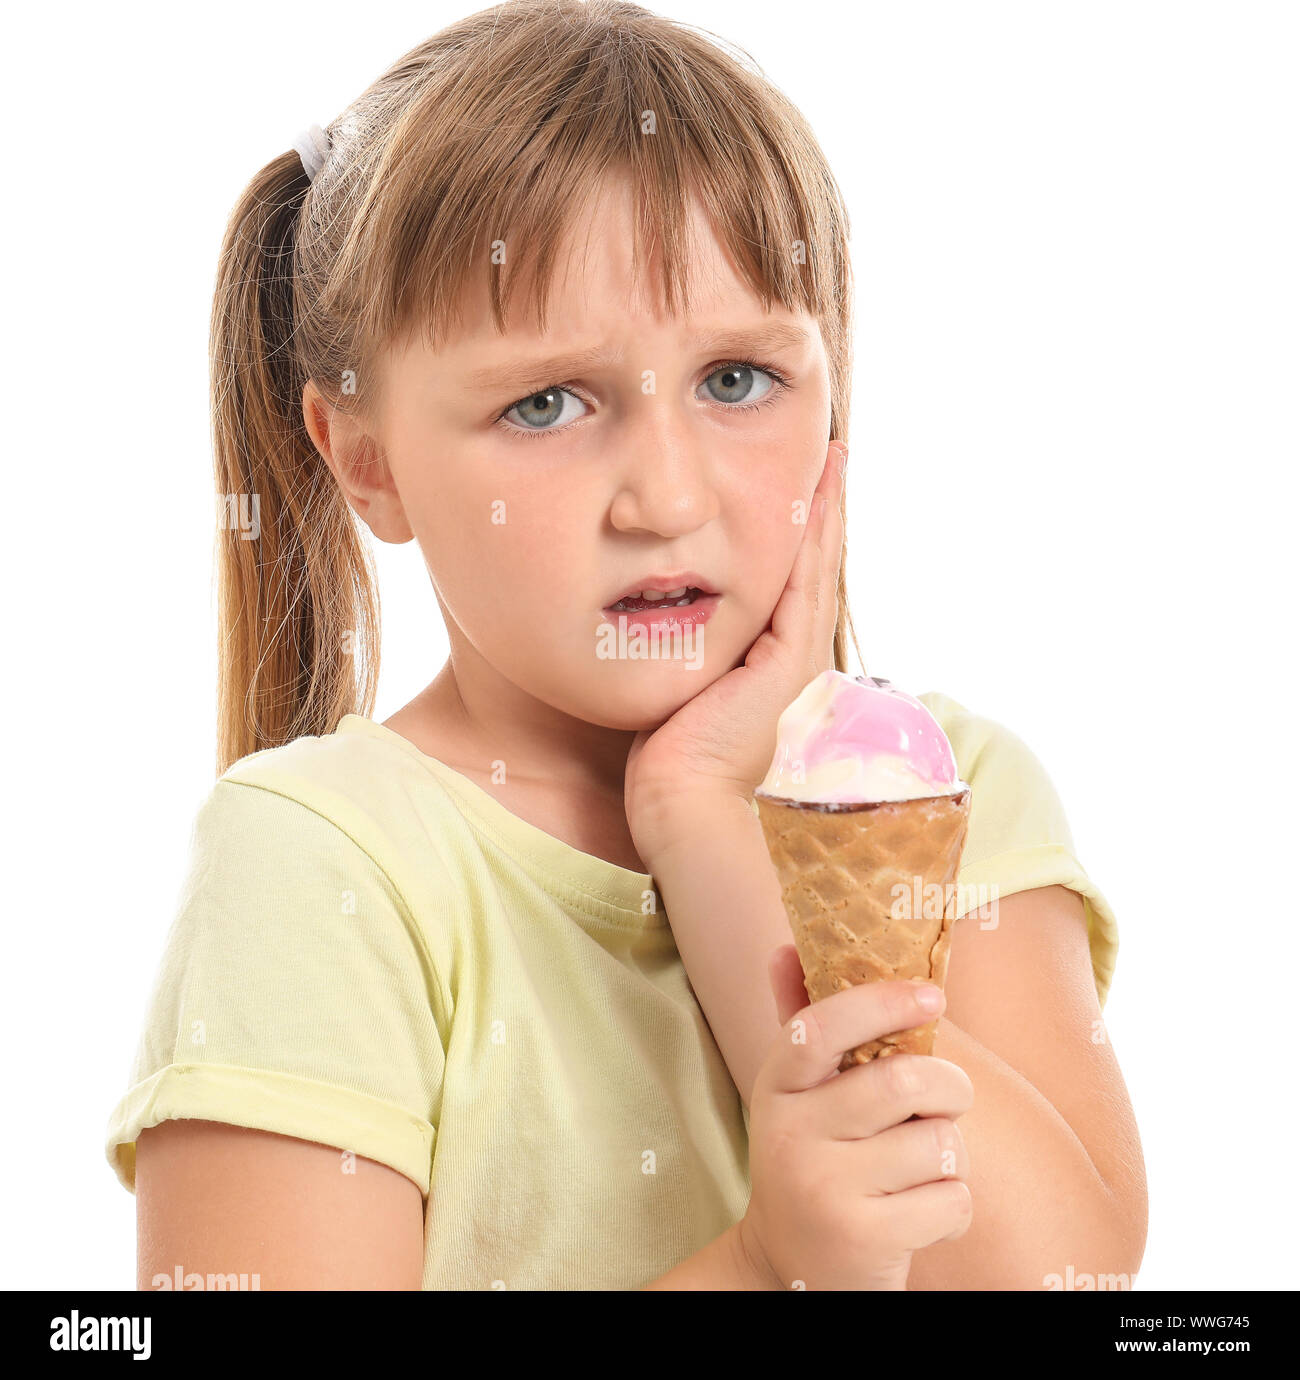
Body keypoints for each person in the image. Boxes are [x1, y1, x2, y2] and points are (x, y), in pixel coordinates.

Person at [104, 0, 1145, 1290]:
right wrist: (766, 1268)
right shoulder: (329, 857)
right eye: (546, 403)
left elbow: (1059, 1285)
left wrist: (711, 825)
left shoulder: (941, 791)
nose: (665, 498)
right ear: (364, 459)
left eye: (738, 381)